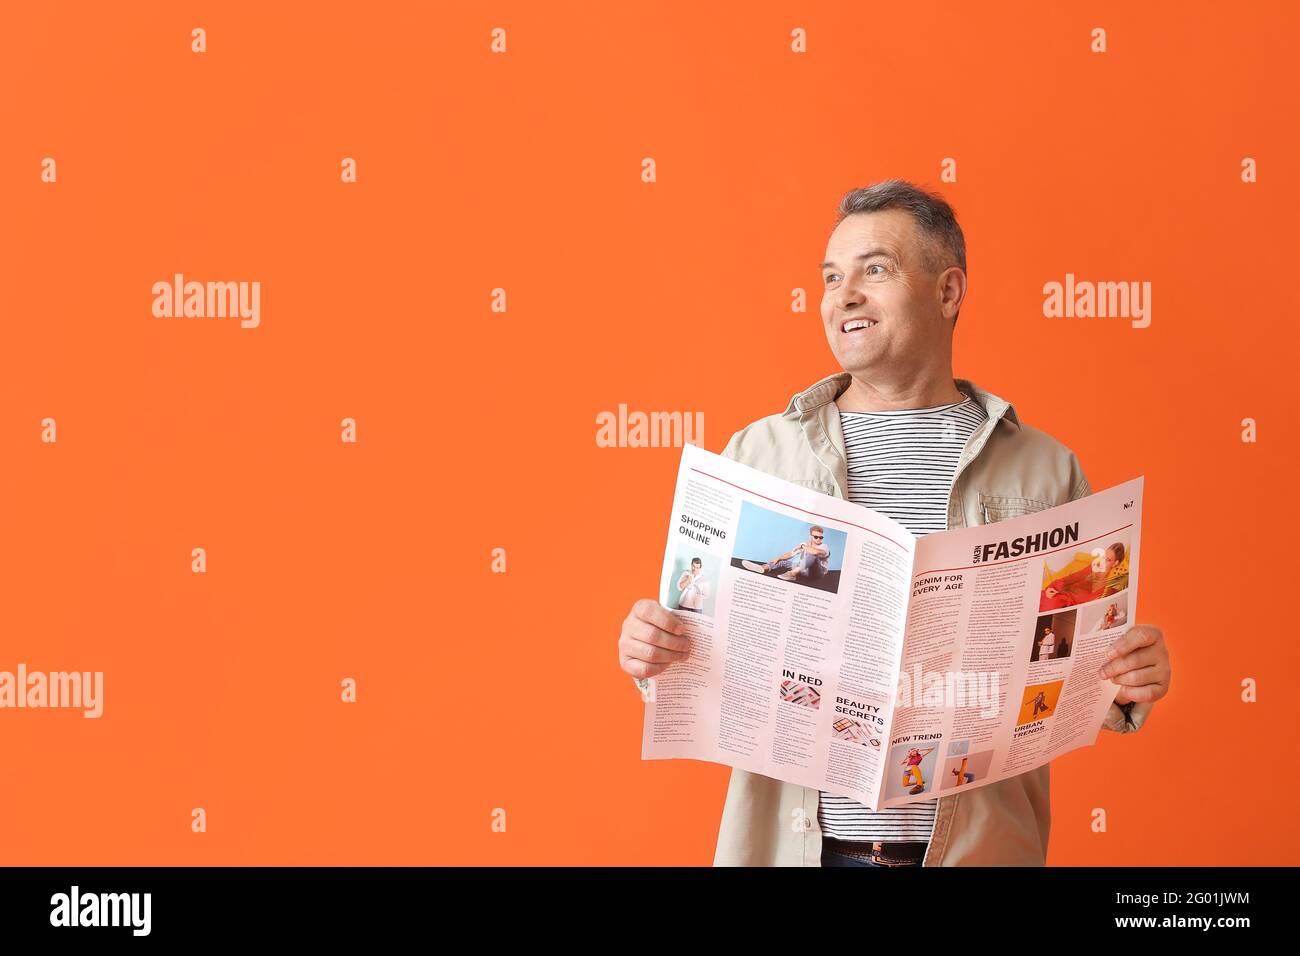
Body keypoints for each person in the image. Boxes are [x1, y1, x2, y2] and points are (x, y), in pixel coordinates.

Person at [617, 180, 1172, 866]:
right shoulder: (755, 457)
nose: (842, 294)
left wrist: (1130, 676)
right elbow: (695, 652)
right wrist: (651, 653)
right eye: (831, 277)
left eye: (874, 270)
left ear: (947, 292)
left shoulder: (1046, 470)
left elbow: (1088, 677)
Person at [740, 526, 830, 581]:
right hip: (803, 569)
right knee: (782, 561)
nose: (818, 539)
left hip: (816, 573)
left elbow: (815, 552)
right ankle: (763, 568)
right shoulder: (805, 544)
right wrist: (779, 558)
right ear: (811, 536)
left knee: (812, 555)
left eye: (821, 537)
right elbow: (791, 554)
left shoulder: (824, 546)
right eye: (816, 537)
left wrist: (803, 547)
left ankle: (792, 574)